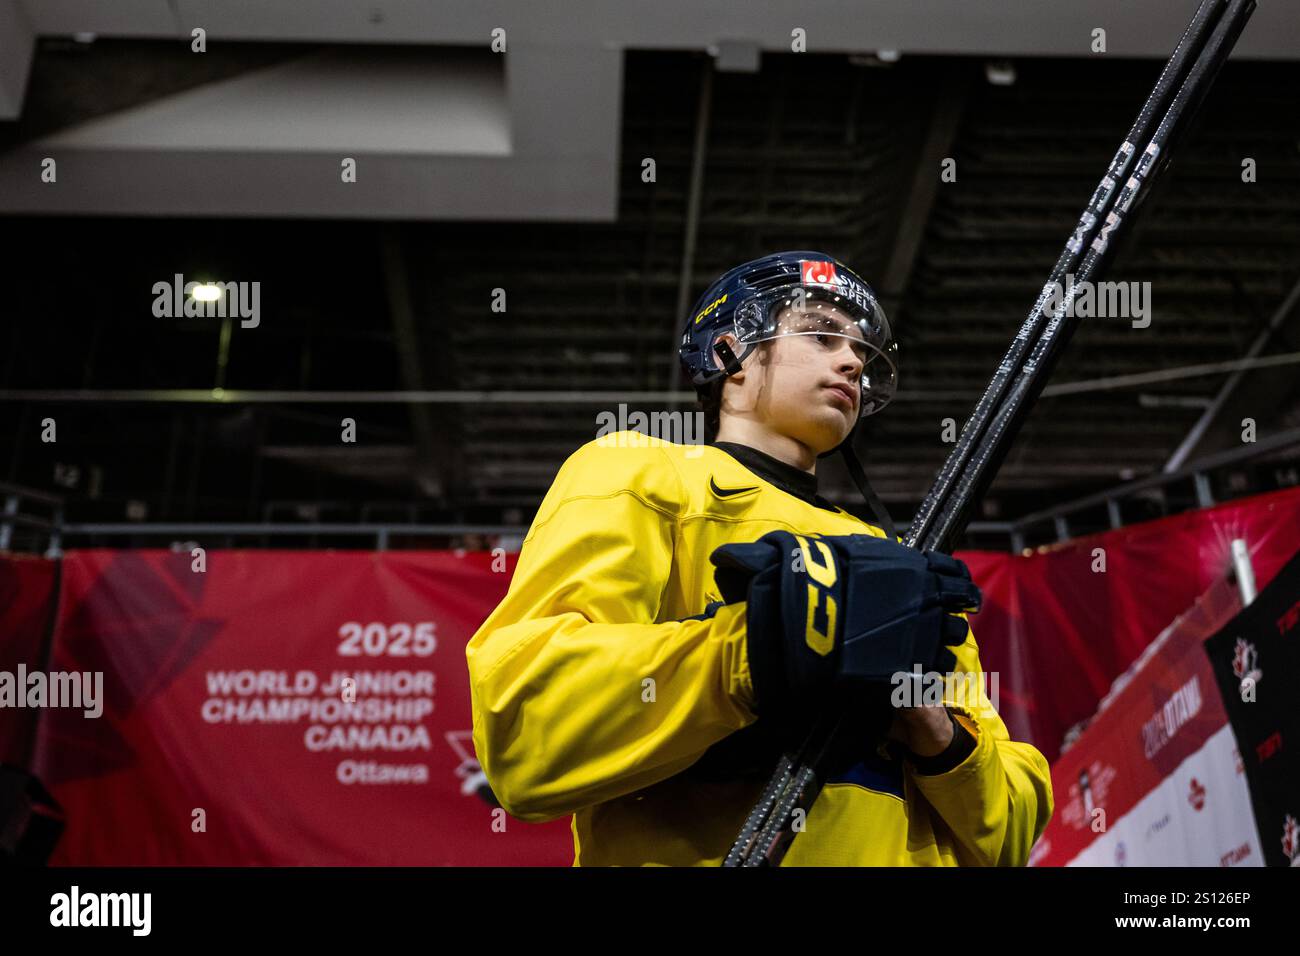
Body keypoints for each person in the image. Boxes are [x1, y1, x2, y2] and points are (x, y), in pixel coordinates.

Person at [467, 251, 1053, 865]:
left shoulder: (898, 569)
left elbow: (1011, 832)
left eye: (859, 349)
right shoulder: (640, 472)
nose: (853, 361)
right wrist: (750, 653)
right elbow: (527, 727)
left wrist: (928, 723)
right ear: (731, 352)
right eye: (822, 334)